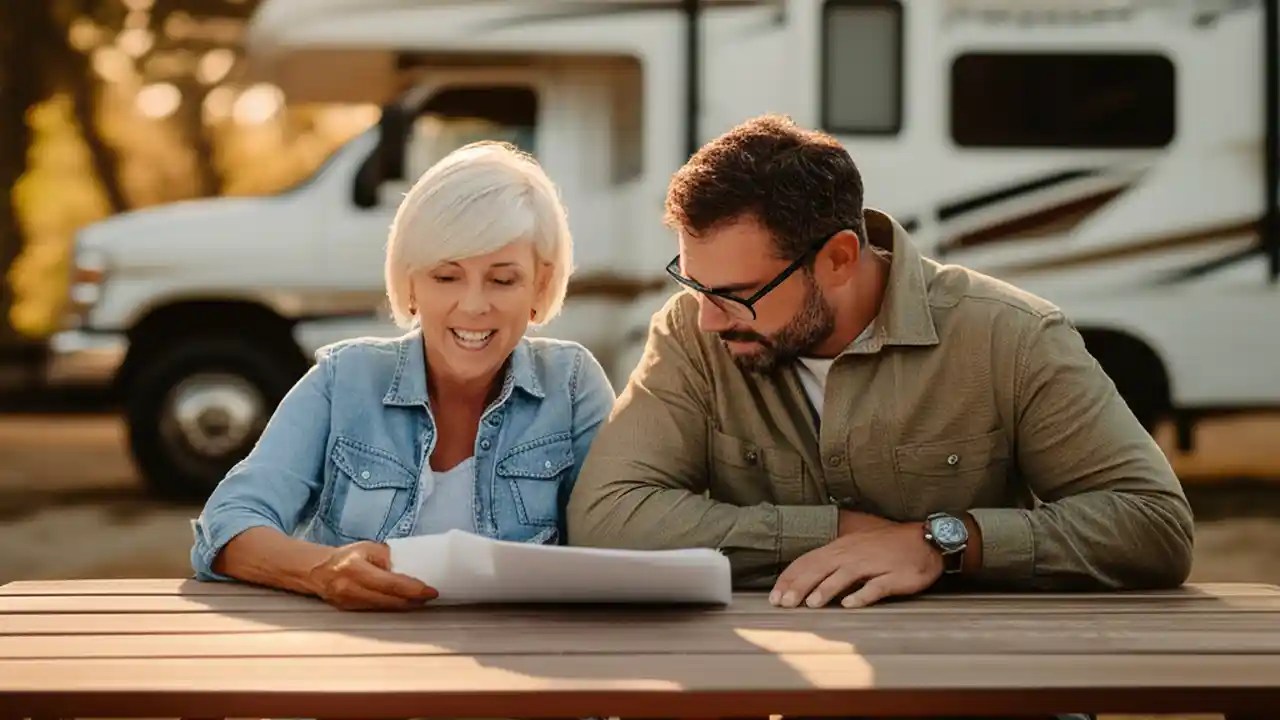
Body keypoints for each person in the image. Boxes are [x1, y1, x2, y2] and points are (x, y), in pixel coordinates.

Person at [568, 115, 1194, 611]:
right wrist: (837, 531)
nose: (708, 317)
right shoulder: (691, 334)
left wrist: (948, 542)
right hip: (795, 689)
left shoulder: (1013, 336)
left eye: (737, 295)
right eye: (692, 284)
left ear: (839, 258)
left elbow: (1153, 522)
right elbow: (607, 518)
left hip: (989, 686)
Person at [191, 141, 616, 611]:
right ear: (410, 282)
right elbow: (227, 525)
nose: (474, 305)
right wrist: (322, 572)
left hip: (522, 668)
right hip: (362, 663)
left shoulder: (573, 384)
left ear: (539, 284)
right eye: (446, 276)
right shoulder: (344, 379)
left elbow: (617, 545)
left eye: (502, 279)